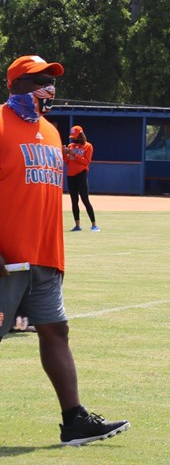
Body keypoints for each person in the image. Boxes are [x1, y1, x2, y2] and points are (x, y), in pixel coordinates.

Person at [0, 54, 129, 445]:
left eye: (52, 80)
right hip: (7, 260)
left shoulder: (53, 132)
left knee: (56, 331)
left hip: (45, 255)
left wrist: (54, 257)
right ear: (17, 84)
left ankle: (74, 420)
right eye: (40, 79)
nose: (50, 88)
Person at [64, 125, 99, 232]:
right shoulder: (71, 145)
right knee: (74, 201)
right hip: (70, 176)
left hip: (81, 175)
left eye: (75, 136)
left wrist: (75, 154)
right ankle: (77, 225)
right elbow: (67, 162)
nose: (74, 138)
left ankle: (94, 224)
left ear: (80, 135)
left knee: (85, 200)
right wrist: (64, 153)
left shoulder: (88, 146)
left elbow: (86, 162)